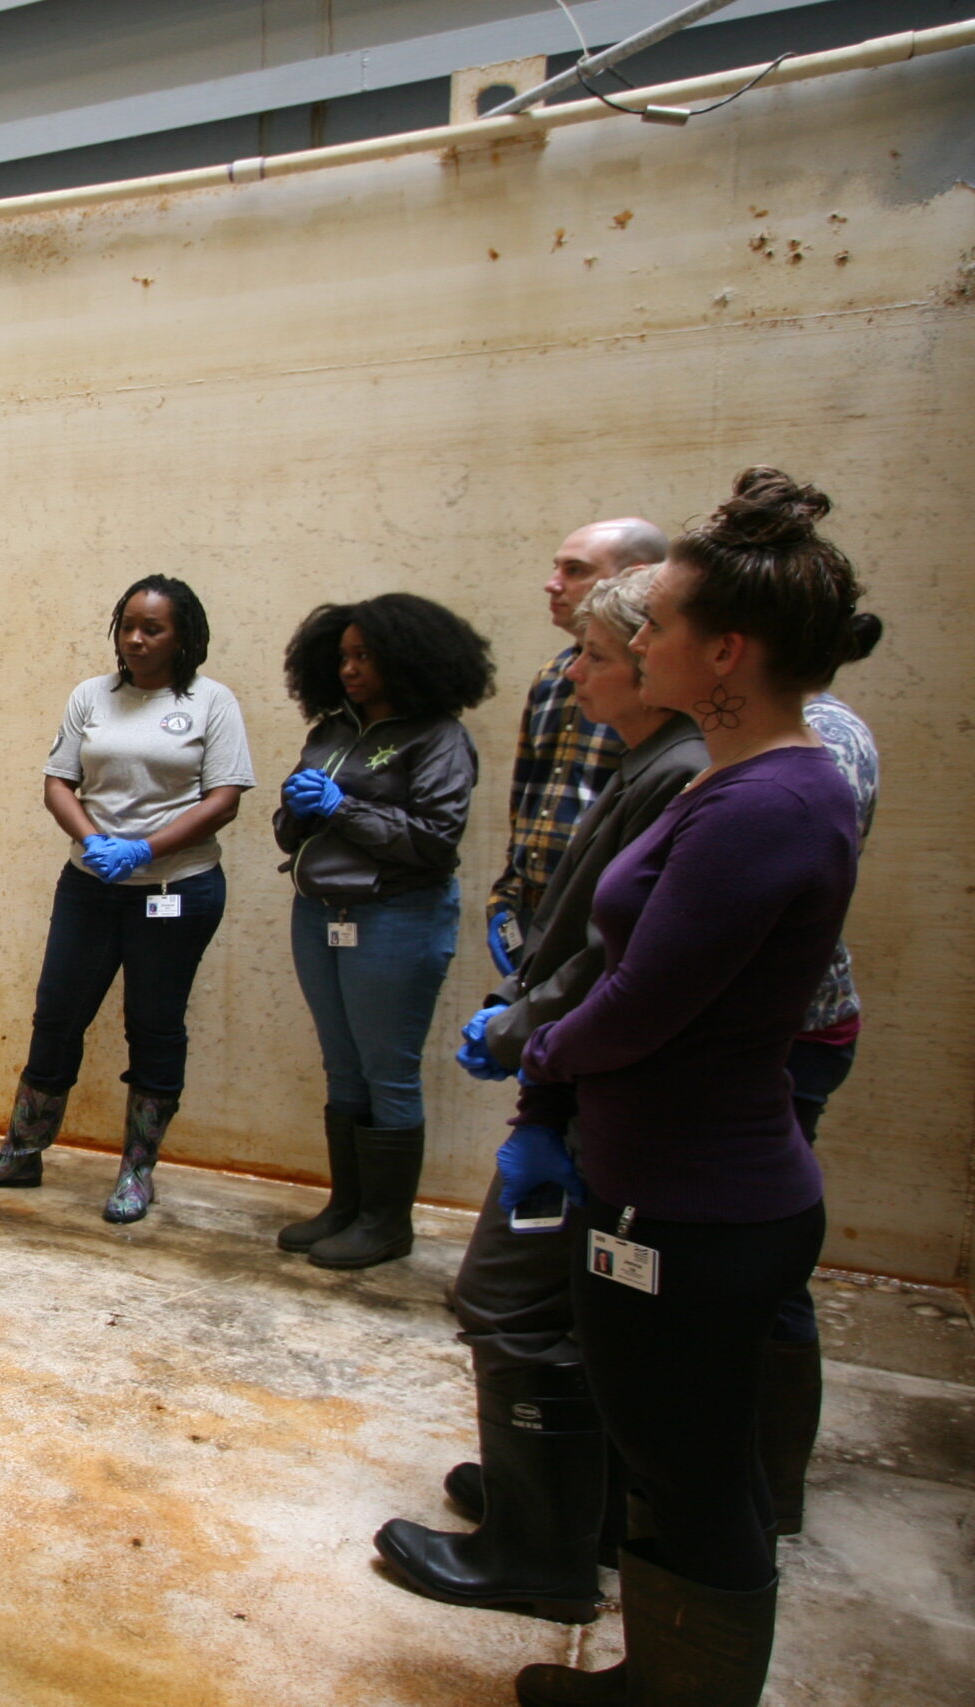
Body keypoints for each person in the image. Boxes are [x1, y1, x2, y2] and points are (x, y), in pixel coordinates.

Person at [505, 469, 874, 1707]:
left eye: (653, 624)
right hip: (662, 1175)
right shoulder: (737, 777)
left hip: (697, 1201)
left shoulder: (771, 798)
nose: (627, 638)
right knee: (669, 1459)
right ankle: (655, 1674)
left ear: (724, 653)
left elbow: (643, 1005)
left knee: (698, 1472)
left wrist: (535, 1054)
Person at [374, 566, 705, 1624]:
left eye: (601, 657)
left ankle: (537, 1550)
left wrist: (531, 1032)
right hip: (572, 1074)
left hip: (589, 1086)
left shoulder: (677, 773)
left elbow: (625, 949)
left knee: (507, 1301)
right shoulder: (651, 759)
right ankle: (560, 1502)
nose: (584, 672)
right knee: (555, 1306)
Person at [0, 576, 254, 1221]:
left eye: (153, 628)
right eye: (127, 625)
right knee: (57, 1014)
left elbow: (223, 798)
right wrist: (95, 844)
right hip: (91, 886)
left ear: (183, 636)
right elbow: (59, 782)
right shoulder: (92, 696)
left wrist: (144, 850)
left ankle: (138, 1172)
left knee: (155, 1025)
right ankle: (21, 1153)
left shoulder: (211, 703)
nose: (136, 639)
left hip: (177, 890)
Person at [272, 594, 492, 1269]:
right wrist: (298, 807)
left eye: (364, 656)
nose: (349, 669)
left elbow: (433, 840)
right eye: (342, 657)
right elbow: (290, 829)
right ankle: (346, 1205)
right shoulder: (333, 730)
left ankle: (385, 1221)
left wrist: (342, 806)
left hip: (396, 916)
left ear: (406, 658)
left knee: (387, 1072)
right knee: (343, 1067)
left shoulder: (439, 738)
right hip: (320, 914)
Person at [756, 678, 879, 1539]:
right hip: (755, 1038)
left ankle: (768, 1484)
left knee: (764, 1268)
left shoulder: (812, 746)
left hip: (780, 1038)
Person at [482, 519, 669, 976]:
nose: (553, 584)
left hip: (604, 914)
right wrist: (506, 894)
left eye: (575, 570)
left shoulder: (661, 687)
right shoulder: (553, 676)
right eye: (556, 568)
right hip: (535, 906)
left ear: (635, 576)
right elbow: (528, 795)